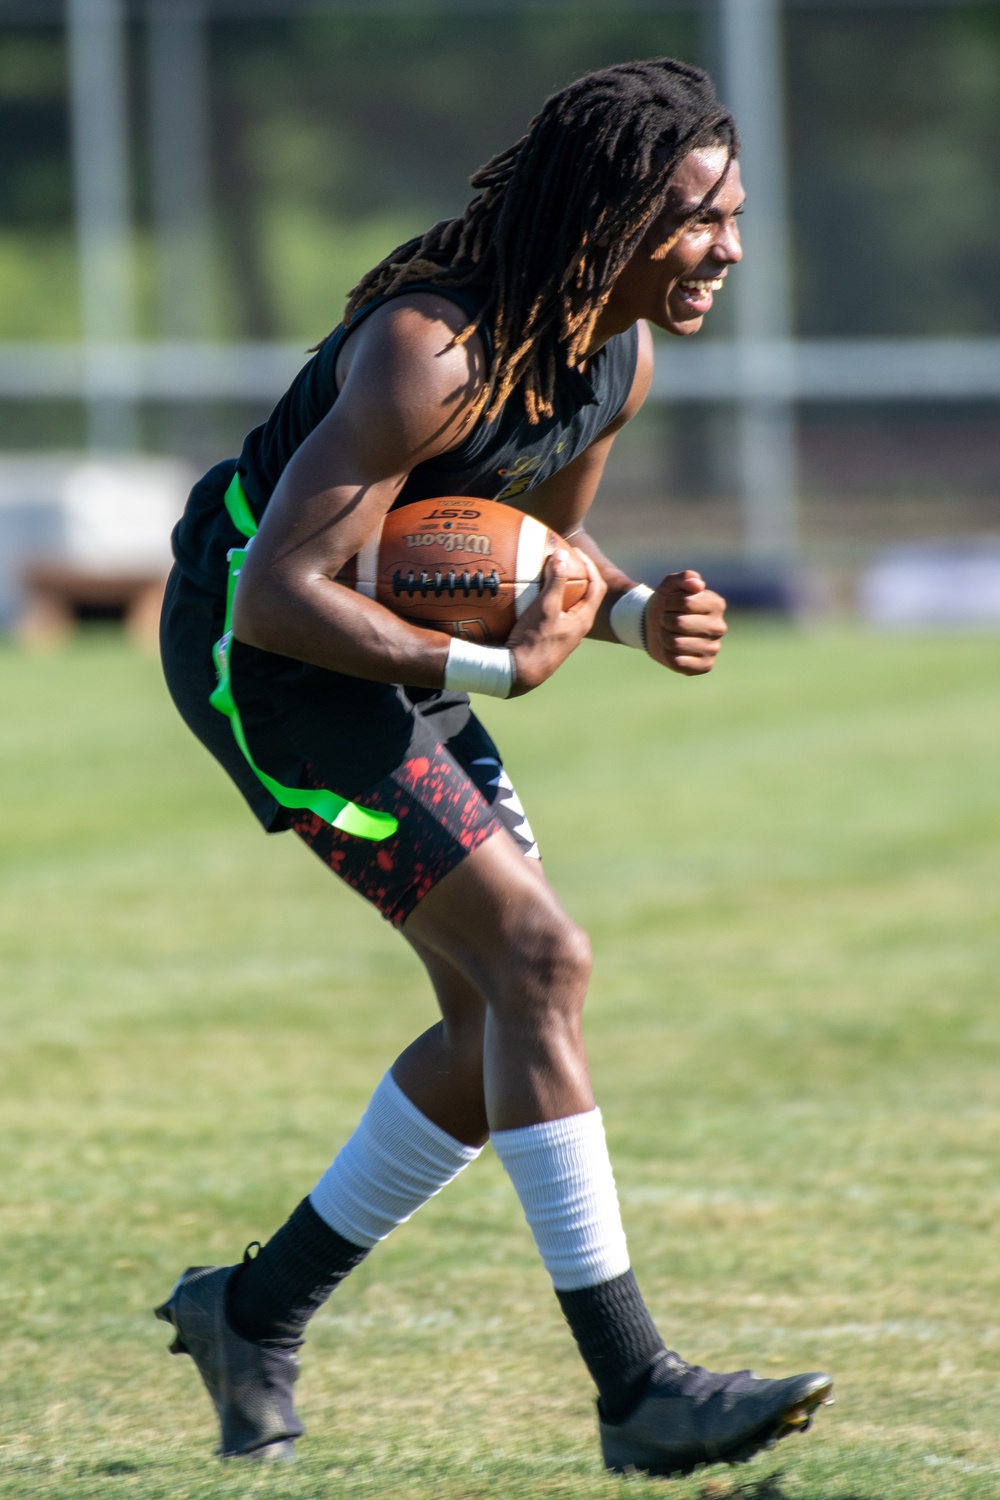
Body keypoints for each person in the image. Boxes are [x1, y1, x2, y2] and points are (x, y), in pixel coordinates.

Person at [156, 57, 832, 1479]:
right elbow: (275, 595)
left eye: (736, 217)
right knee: (540, 964)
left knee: (496, 1024)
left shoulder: (618, 357)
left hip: (385, 646)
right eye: (702, 219)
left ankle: (254, 1311)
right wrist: (480, 670)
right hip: (265, 661)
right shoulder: (428, 349)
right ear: (614, 215)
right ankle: (637, 1390)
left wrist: (639, 613)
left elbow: (537, 556)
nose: (731, 249)